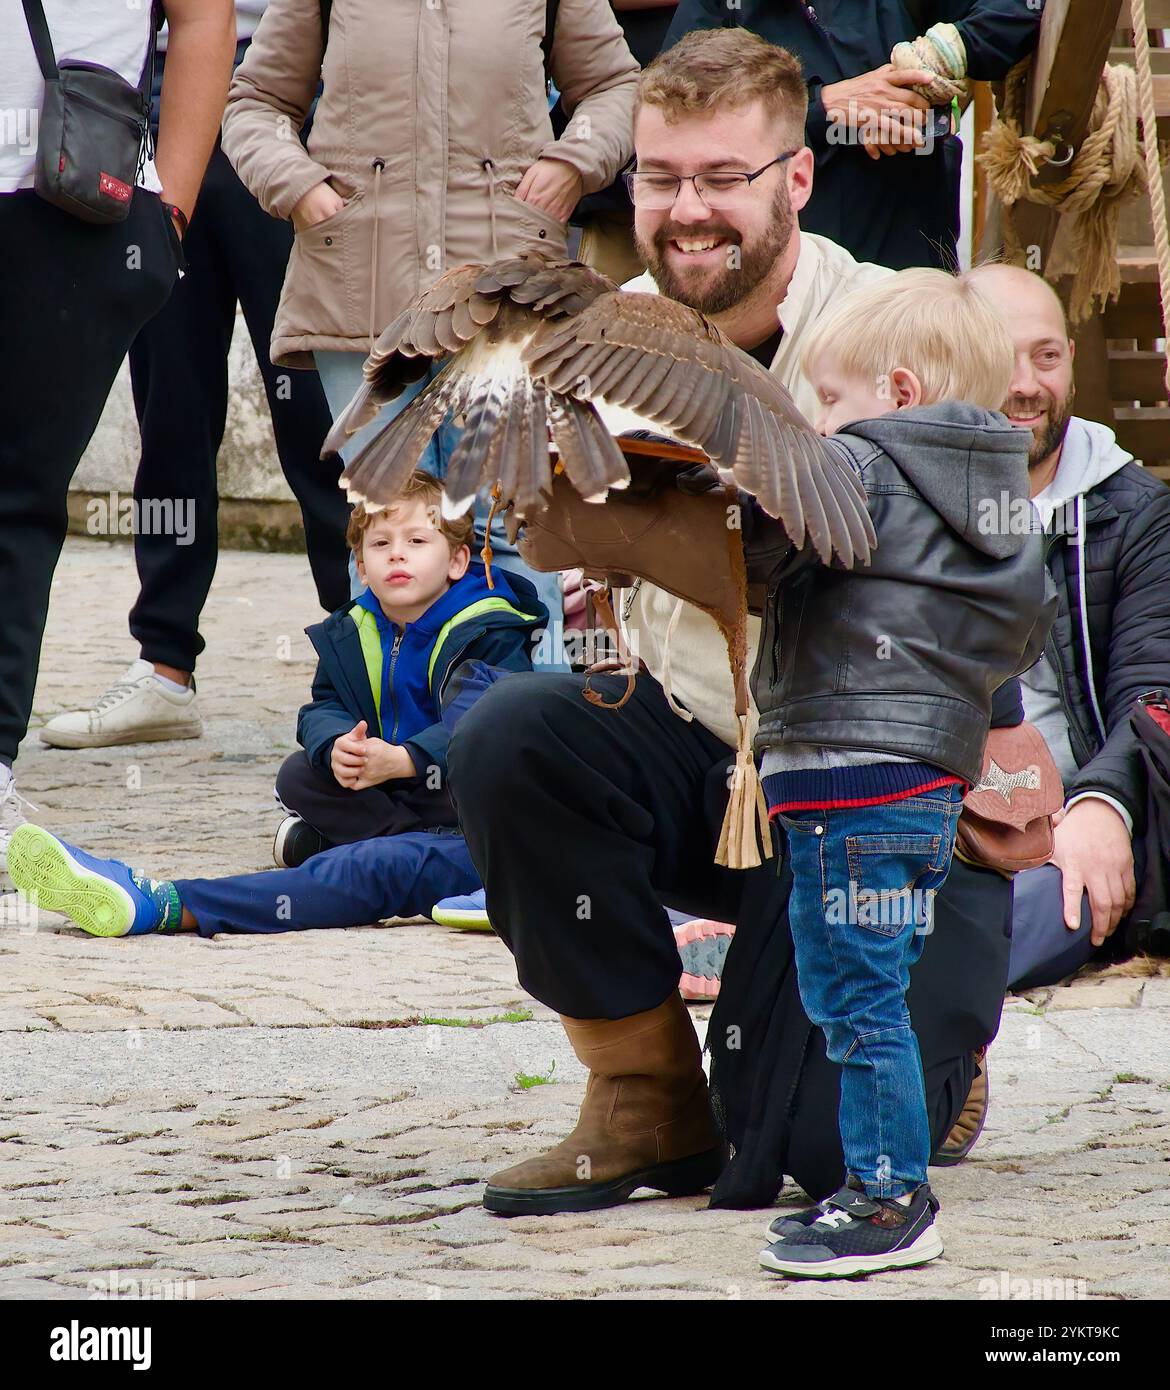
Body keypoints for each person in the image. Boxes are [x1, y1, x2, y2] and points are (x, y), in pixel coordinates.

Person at [445, 29, 1021, 1219]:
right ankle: (645, 1093)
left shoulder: (895, 330)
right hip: (714, 760)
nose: (689, 212)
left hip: (879, 793)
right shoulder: (606, 332)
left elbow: (985, 547)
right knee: (512, 736)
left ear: (796, 182)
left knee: (802, 1153)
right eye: (661, 179)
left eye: (723, 179)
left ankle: (937, 1055)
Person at [748, 270, 1052, 1279]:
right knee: (873, 985)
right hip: (916, 786)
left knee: (854, 997)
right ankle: (877, 1183)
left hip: (846, 780)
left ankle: (889, 1197)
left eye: (832, 398)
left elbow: (763, 556)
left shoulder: (866, 469)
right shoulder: (999, 497)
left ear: (903, 392)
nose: (821, 420)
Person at [219, 0, 640, 625]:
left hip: (508, 300)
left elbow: (616, 87)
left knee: (511, 528)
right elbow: (255, 101)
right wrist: (298, 187)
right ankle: (394, 716)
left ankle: (521, 717)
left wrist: (572, 163)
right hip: (360, 294)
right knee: (391, 526)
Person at [5, 472, 547, 938]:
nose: (397, 554)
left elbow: (481, 723)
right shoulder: (353, 629)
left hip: (470, 807)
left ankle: (164, 902)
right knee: (301, 776)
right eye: (381, 545)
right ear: (360, 565)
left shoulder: (489, 626)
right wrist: (339, 746)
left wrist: (407, 760)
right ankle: (354, 842)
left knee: (371, 868)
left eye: (416, 542)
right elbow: (322, 706)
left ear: (457, 560)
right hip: (399, 798)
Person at [38, 2, 351, 754]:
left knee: (321, 411)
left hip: (293, 102)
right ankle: (164, 667)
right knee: (170, 409)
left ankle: (367, 656)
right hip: (159, 101)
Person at [0, 0, 237, 884]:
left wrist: (168, 211)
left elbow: (205, 14)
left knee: (16, 502)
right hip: (72, 189)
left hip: (65, 191)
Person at [967, 264, 1170, 989]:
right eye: (999, 356)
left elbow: (1154, 690)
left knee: (1053, 901)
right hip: (926, 814)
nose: (1025, 384)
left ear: (1071, 364)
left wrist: (1103, 802)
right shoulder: (901, 491)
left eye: (1046, 356)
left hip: (1060, 823)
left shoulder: (1137, 512)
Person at [661, 0, 1042, 269]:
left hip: (905, 272)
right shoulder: (718, 7)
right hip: (775, 286)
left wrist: (938, 57)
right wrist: (823, 109)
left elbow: (1024, 8)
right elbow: (680, 119)